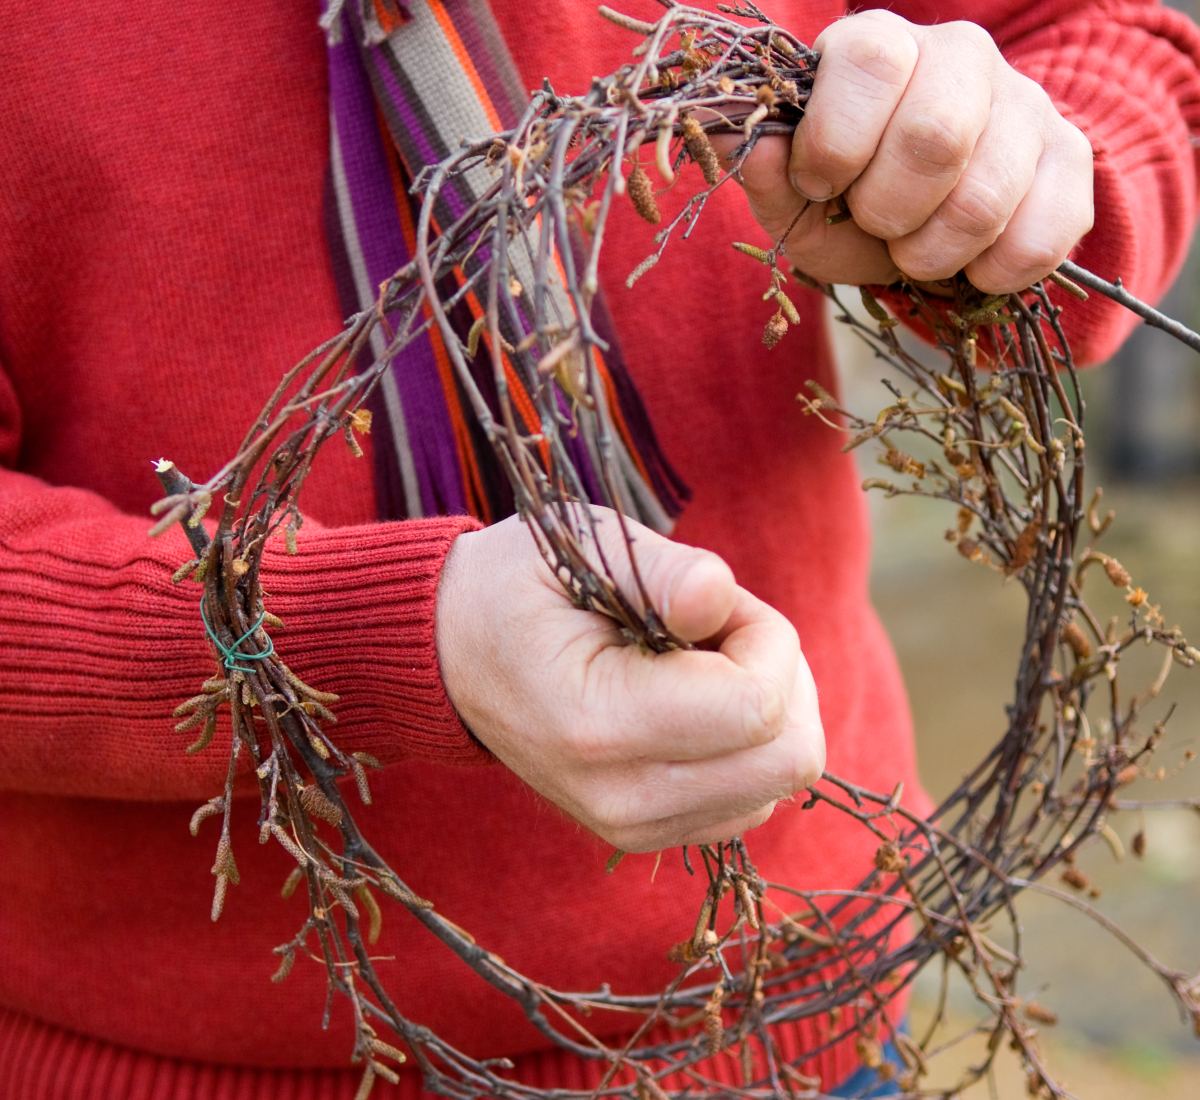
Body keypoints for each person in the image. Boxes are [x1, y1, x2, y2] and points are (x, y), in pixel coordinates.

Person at [0, 1, 1196, 1097]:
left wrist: (1010, 181)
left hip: (805, 1004)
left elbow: (1098, 36)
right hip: (182, 1053)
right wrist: (380, 642)